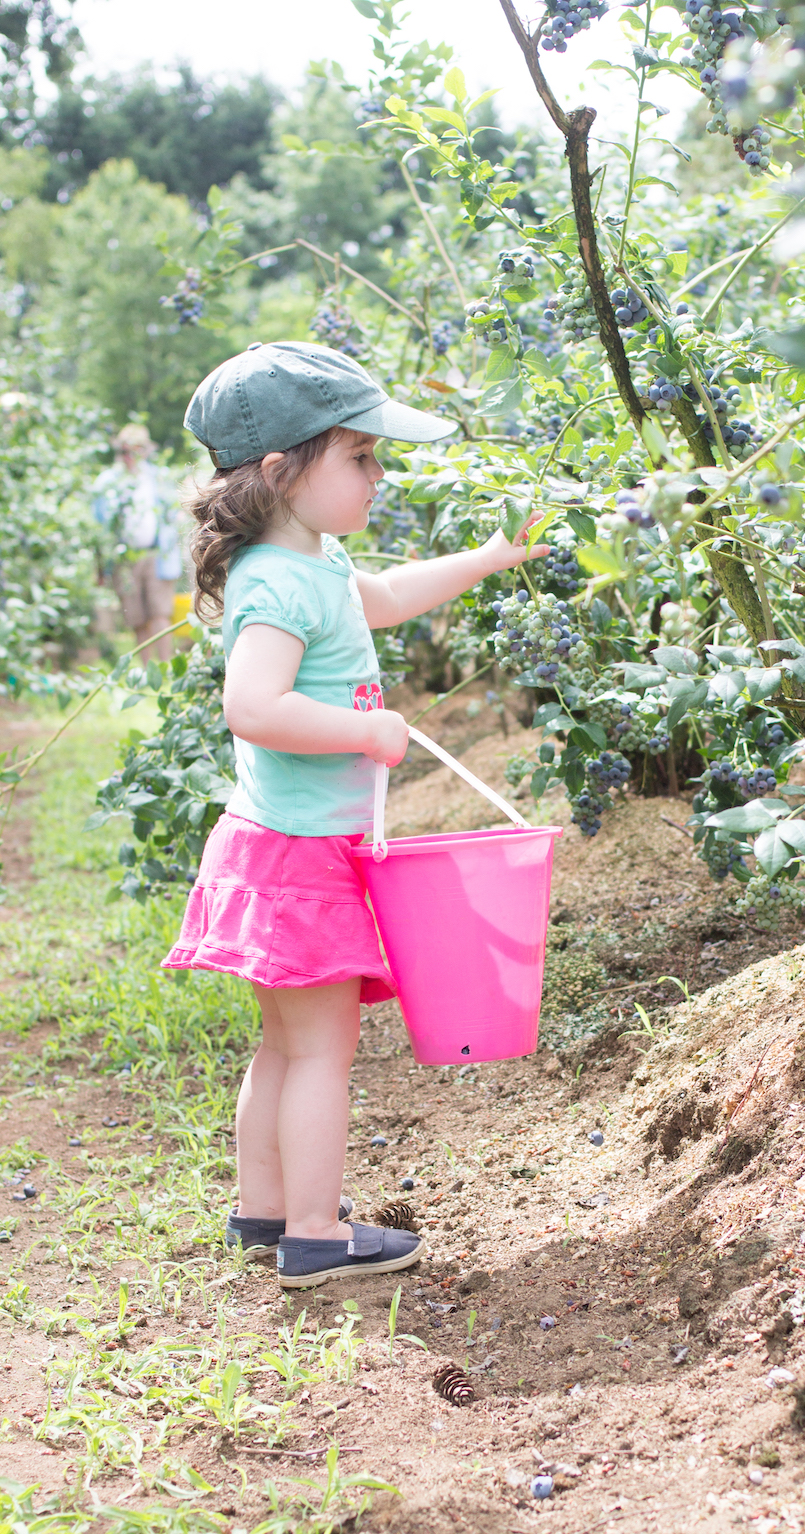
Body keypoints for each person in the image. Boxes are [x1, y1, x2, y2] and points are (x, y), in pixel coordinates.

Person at [162, 340, 545, 1290]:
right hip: (298, 864)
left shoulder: (312, 561)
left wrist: (492, 557)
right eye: (361, 457)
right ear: (283, 471)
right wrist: (362, 731)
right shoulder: (280, 584)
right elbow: (252, 707)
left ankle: (262, 1212)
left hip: (275, 854)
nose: (379, 475)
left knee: (287, 1046)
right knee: (323, 1056)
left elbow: (384, 598)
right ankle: (315, 1235)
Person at [92, 422, 184, 664]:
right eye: (124, 451)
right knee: (136, 617)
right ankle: (146, 670)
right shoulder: (107, 482)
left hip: (157, 554)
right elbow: (98, 528)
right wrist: (100, 567)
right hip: (124, 557)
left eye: (134, 451)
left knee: (160, 613)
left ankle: (164, 668)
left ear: (144, 451)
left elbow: (174, 514)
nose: (129, 457)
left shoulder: (158, 478)